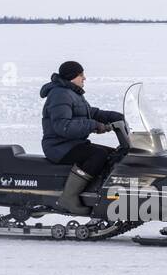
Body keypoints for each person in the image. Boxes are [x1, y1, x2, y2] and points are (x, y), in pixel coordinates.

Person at [40, 61, 124, 214]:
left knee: (114, 154)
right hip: (59, 146)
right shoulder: (59, 94)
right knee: (98, 155)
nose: (84, 78)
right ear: (72, 76)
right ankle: (69, 197)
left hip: (72, 143)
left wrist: (117, 117)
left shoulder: (72, 93)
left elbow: (90, 113)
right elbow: (63, 126)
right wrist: (93, 125)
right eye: (81, 75)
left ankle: (97, 195)